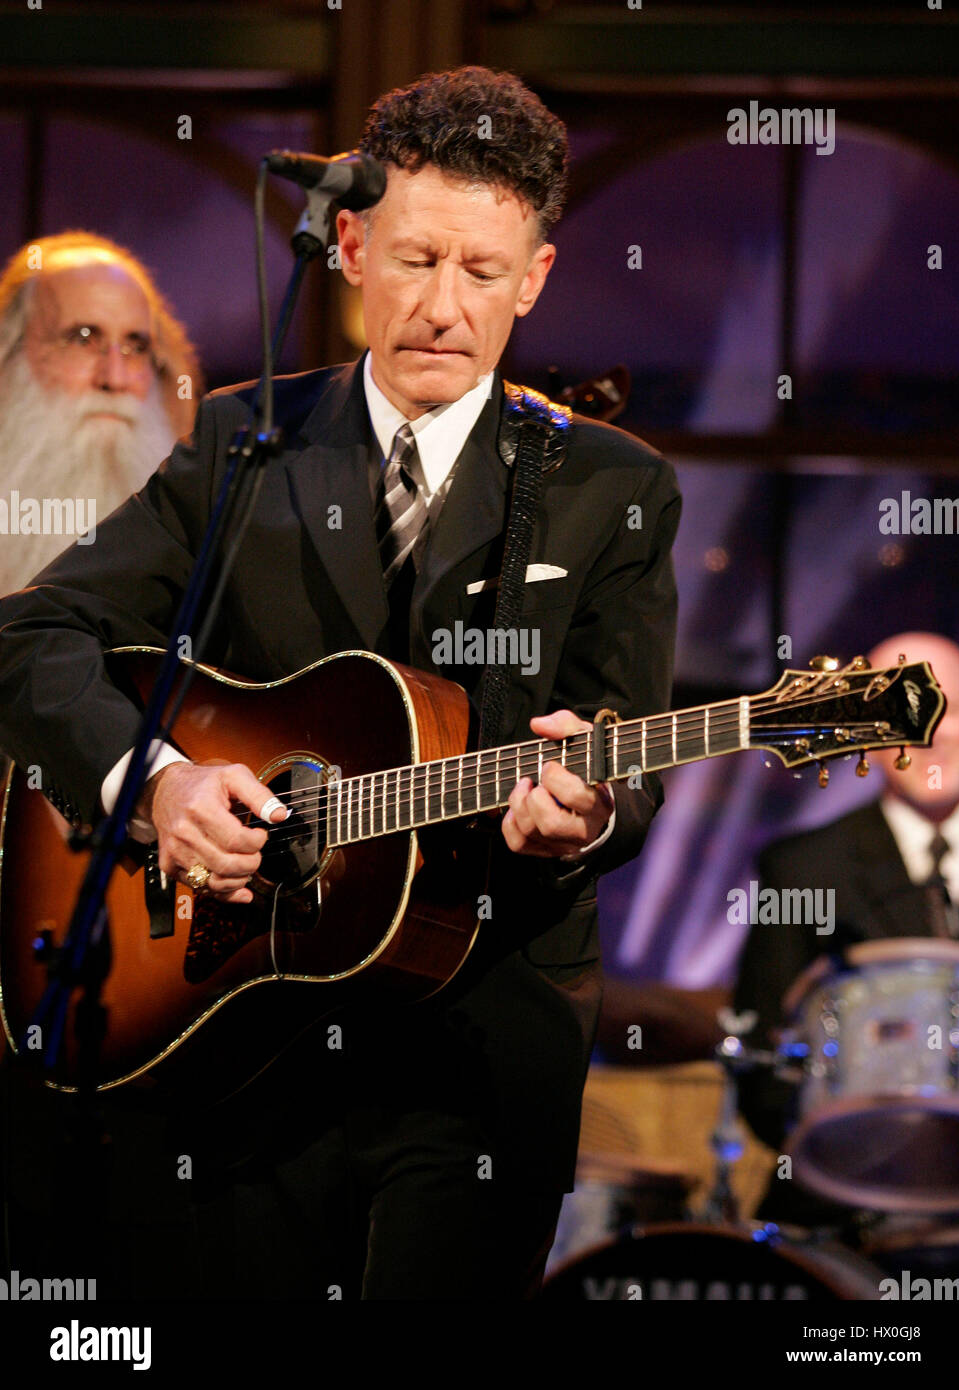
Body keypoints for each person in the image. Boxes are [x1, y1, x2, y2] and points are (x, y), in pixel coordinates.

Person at [0, 66, 681, 1300]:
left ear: (533, 278)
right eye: (416, 260)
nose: (443, 306)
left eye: (484, 273)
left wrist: (581, 816)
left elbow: (623, 743)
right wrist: (155, 786)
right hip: (233, 1029)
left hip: (478, 1044)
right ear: (351, 245)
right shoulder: (240, 440)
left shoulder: (612, 487)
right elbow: (32, 636)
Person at [734, 631, 959, 1223]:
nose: (928, 732)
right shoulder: (802, 867)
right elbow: (762, 1062)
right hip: (848, 1208)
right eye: (897, 711)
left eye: (949, 707)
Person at [0, 230, 201, 594]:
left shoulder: (205, 542)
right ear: (9, 354)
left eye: (134, 347)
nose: (115, 378)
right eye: (82, 338)